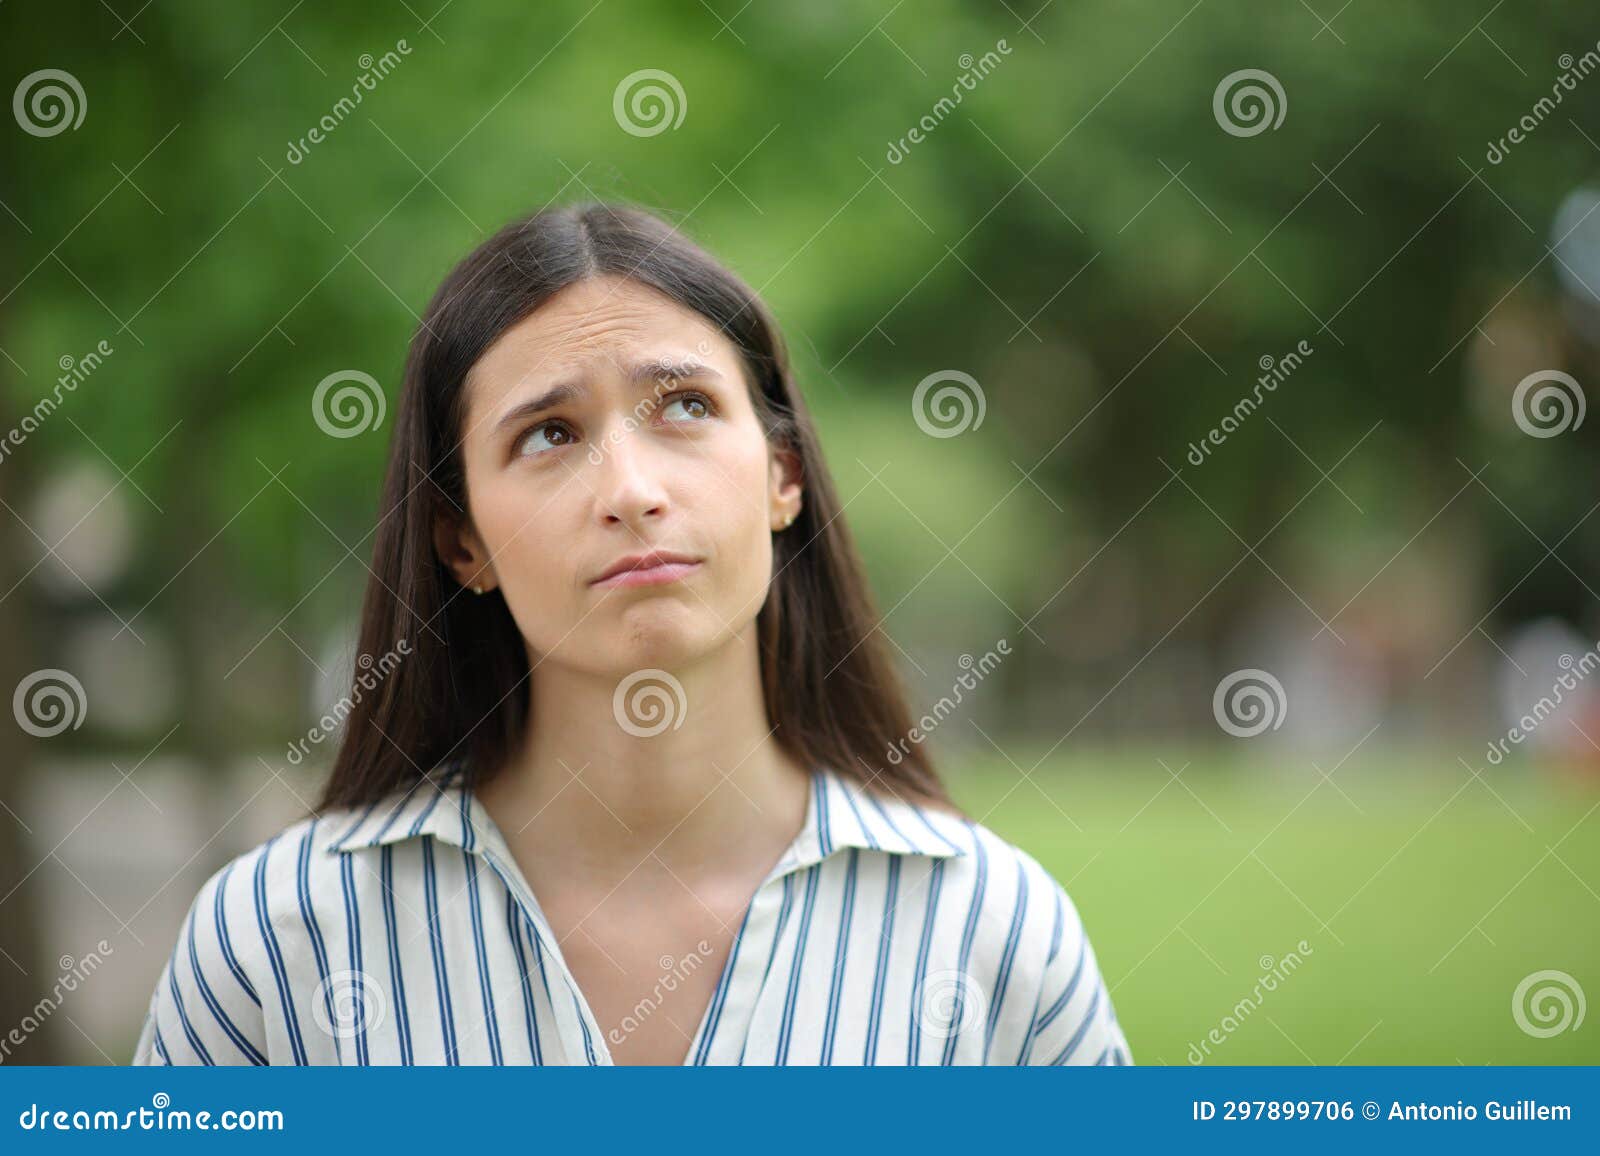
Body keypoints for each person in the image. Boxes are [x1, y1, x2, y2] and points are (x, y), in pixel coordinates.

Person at [131, 202, 1131, 1066]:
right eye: (549, 434)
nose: (632, 490)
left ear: (782, 477)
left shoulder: (992, 928)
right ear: (462, 539)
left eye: (685, 406)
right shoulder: (278, 942)